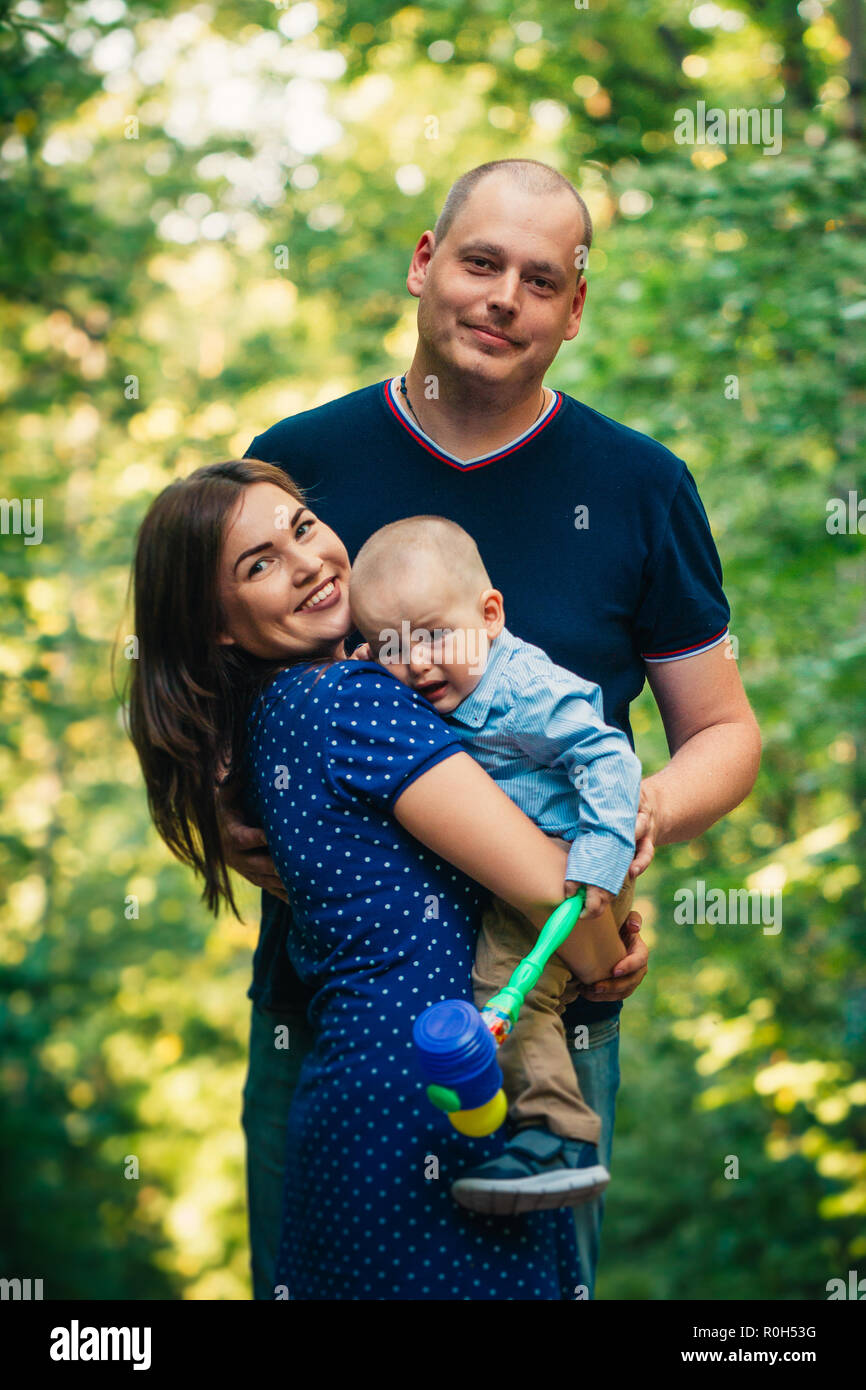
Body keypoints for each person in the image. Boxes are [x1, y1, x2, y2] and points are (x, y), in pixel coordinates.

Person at [223, 157, 762, 1299]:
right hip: (326, 1013)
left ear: (572, 309)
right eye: (478, 262)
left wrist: (622, 827)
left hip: (549, 999)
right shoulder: (300, 469)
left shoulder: (637, 484)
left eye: (539, 278)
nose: (500, 297)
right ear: (424, 263)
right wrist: (224, 818)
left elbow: (722, 733)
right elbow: (212, 698)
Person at [127, 458, 587, 1299]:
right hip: (439, 1089)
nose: (304, 562)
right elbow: (555, 892)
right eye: (258, 564)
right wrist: (604, 937)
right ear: (219, 625)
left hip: (367, 1093)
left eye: (301, 528)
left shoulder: (274, 715)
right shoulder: (354, 699)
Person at [348, 514, 642, 1213]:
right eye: (392, 646)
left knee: (505, 990)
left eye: (433, 635)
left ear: (489, 613)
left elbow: (608, 758)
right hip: (535, 881)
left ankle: (560, 1137)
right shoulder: (431, 681)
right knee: (520, 996)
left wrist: (600, 861)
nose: (416, 662)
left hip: (572, 875)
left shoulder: (525, 690)